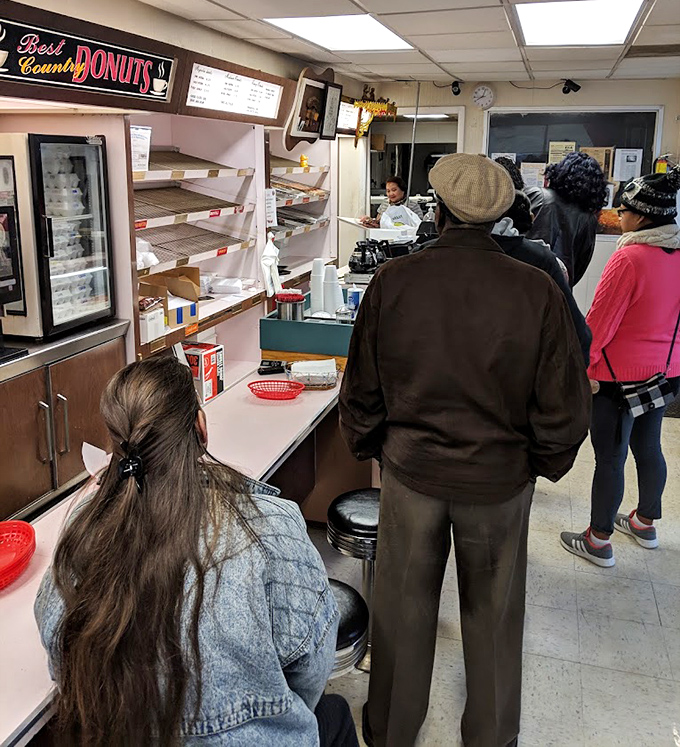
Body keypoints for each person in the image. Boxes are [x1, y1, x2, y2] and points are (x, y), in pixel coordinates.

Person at [339, 154, 591, 747]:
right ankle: (491, 735)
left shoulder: (393, 282)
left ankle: (391, 730)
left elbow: (361, 389)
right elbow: (565, 406)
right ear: (501, 212)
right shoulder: (535, 290)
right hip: (499, 483)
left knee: (403, 610)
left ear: (440, 208)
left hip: (411, 474)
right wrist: (538, 465)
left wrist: (380, 449)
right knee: (495, 617)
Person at [34, 354, 357, 747]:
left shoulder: (80, 531)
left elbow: (60, 657)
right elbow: (310, 667)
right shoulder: (269, 529)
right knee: (333, 712)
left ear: (115, 446)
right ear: (200, 429)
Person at [561, 166, 680, 567]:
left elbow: (600, 321)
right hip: (666, 370)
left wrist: (586, 369)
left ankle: (598, 540)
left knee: (610, 456)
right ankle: (645, 522)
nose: (619, 214)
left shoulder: (629, 258)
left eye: (625, 209)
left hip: (616, 376)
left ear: (642, 217)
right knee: (649, 446)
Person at [492, 189, 592, 365]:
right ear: (531, 219)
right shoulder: (543, 260)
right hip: (522, 371)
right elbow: (577, 333)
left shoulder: (433, 256)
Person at [526, 151, 608, 287]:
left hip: (520, 281)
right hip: (557, 290)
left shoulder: (537, 195)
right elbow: (580, 266)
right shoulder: (588, 219)